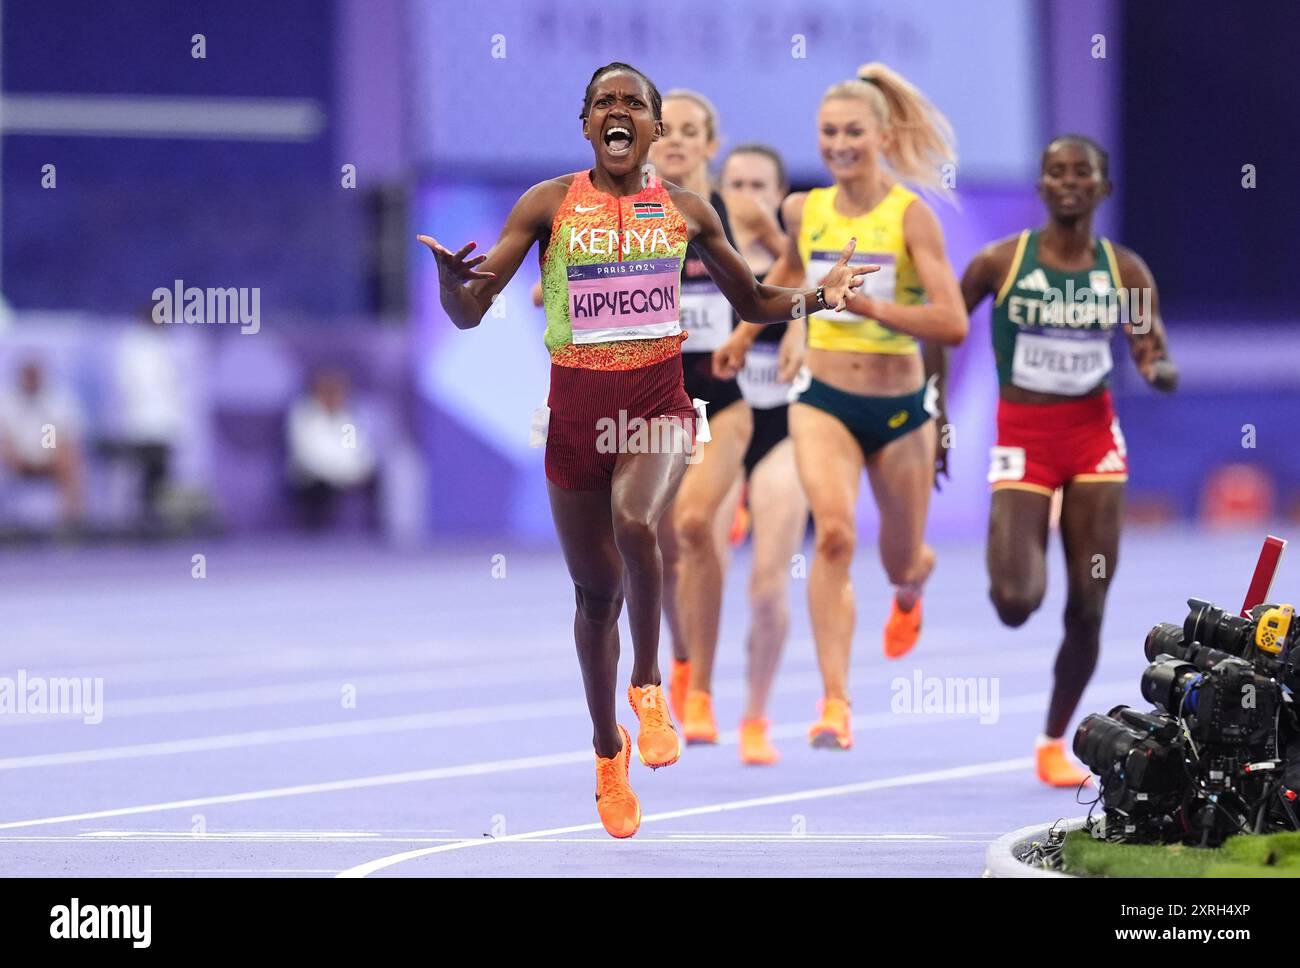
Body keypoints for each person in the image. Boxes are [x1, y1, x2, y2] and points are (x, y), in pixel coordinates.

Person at [417, 63, 874, 837]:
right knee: (595, 599)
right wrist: (450, 288)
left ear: (657, 130)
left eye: (634, 103)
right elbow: (472, 309)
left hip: (658, 406)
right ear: (586, 124)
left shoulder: (690, 210)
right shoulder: (547, 204)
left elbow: (755, 300)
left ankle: (652, 683)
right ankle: (607, 751)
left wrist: (821, 296)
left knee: (638, 523)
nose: (619, 111)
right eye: (605, 102)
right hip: (575, 419)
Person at [719, 63, 968, 751]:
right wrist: (745, 333)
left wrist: (872, 306)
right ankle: (835, 704)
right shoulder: (805, 207)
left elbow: (952, 323)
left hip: (897, 412)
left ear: (882, 134)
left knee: (898, 561)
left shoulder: (911, 216)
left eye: (853, 131)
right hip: (823, 399)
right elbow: (793, 272)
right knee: (832, 536)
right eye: (828, 132)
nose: (840, 143)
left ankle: (912, 585)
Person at [961, 134, 1177, 786]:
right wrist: (935, 404)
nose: (1069, 181)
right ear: (1043, 186)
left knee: (1088, 603)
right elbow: (945, 322)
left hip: (1093, 445)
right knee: (1016, 600)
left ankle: (1053, 739)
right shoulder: (1000, 262)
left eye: (1082, 172)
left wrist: (1158, 367)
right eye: (1056, 171)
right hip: (1023, 441)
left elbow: (1148, 345)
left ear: (1102, 187)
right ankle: (1011, 559)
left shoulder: (1125, 271)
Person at [644, 91, 786, 750]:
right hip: (650, 401)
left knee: (697, 525)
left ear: (710, 145)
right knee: (662, 548)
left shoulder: (739, 212)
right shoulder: (625, 215)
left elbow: (797, 261)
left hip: (723, 399)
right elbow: (558, 281)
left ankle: (698, 691)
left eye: (689, 132)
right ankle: (679, 655)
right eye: (662, 130)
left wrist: (781, 326)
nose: (674, 141)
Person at [286, 367, 379, 531]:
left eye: (338, 390)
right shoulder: (304, 415)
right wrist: (339, 474)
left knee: (373, 478)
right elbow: (307, 456)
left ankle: (374, 531)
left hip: (341, 474)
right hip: (311, 475)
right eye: (328, 389)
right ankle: (314, 537)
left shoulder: (346, 418)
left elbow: (353, 451)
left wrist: (358, 471)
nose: (334, 394)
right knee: (318, 486)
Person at [0, 359, 86, 527]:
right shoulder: (6, 401)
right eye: (28, 377)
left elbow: (60, 436)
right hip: (15, 458)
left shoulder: (55, 401)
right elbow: (5, 437)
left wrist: (49, 457)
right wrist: (14, 457)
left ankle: (70, 524)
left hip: (47, 455)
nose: (32, 381)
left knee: (69, 462)